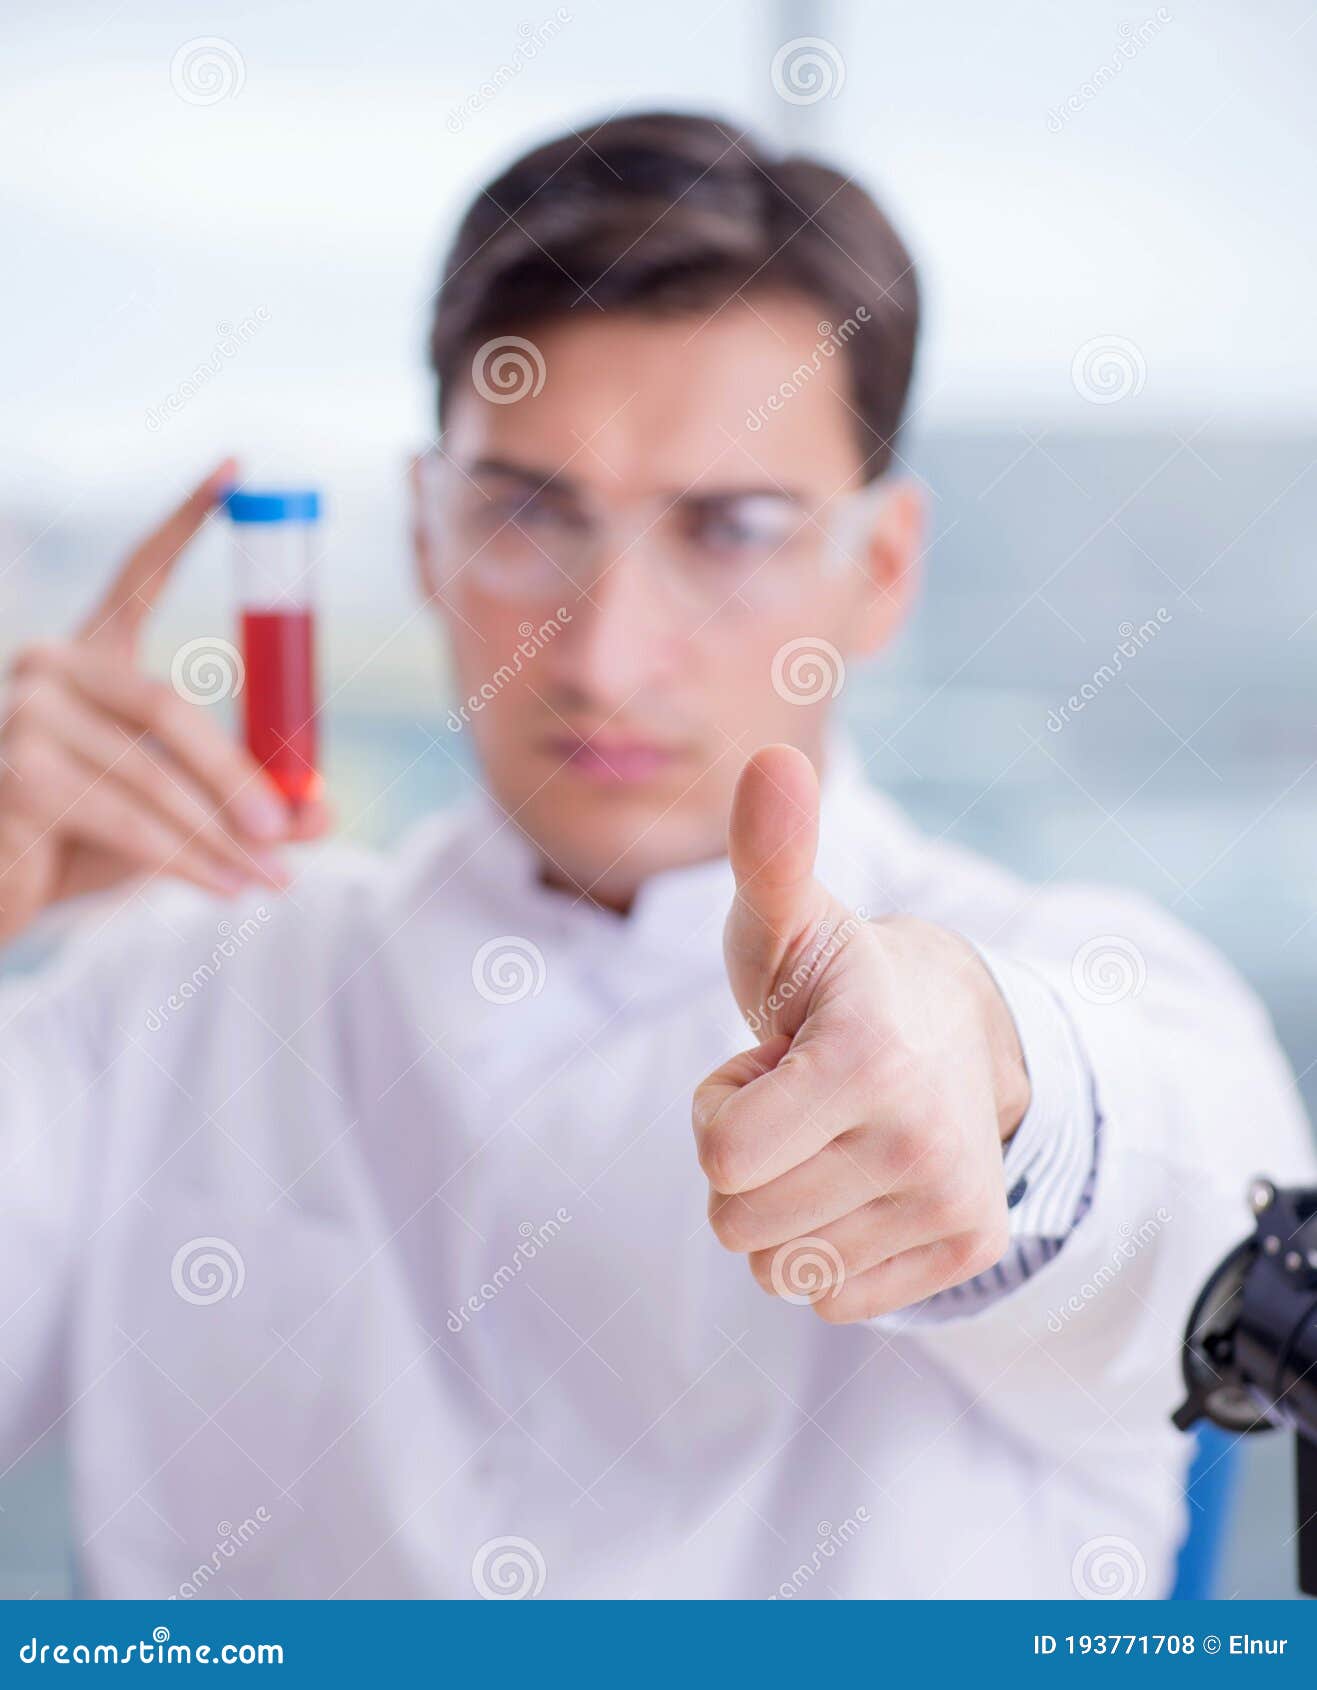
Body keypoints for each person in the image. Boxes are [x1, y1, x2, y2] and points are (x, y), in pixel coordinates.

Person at [0, 112, 1311, 1602]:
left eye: (731, 527)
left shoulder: (1073, 975)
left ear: (879, 569)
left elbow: (1214, 1205)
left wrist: (987, 1085)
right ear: (425, 533)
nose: (606, 653)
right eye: (523, 512)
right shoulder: (174, 990)